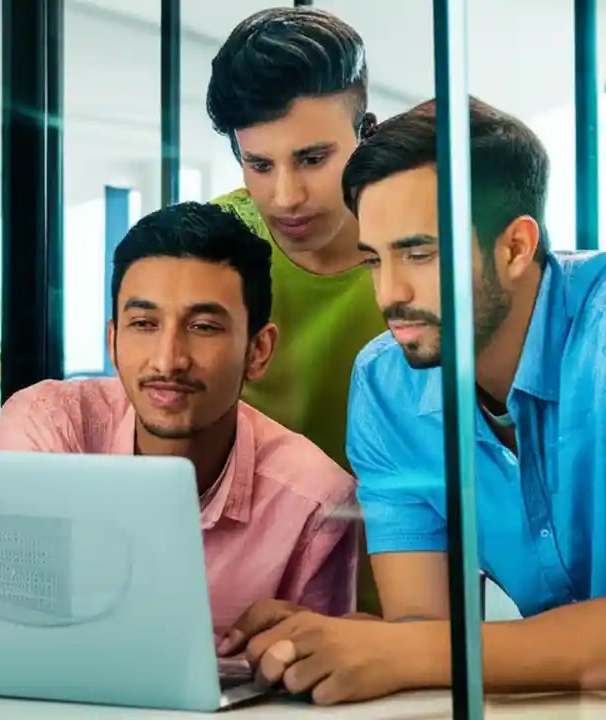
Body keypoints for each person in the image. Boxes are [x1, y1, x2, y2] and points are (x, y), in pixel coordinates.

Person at [219, 98, 606, 718]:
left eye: (419, 254)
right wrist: (325, 641)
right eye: (375, 259)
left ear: (516, 246)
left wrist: (404, 648)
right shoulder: (387, 385)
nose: (390, 294)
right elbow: (423, 628)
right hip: (587, 709)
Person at [0, 201, 360, 640]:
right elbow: (15, 621)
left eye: (204, 326)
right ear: (113, 341)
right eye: (144, 323)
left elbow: (315, 676)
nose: (168, 359)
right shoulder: (49, 425)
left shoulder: (315, 501)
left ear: (258, 351)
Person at [206, 7, 388, 614]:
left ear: (368, 133)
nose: (285, 196)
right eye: (259, 164)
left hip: (396, 599)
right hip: (235, 601)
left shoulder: (423, 251)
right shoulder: (213, 242)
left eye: (312, 159)